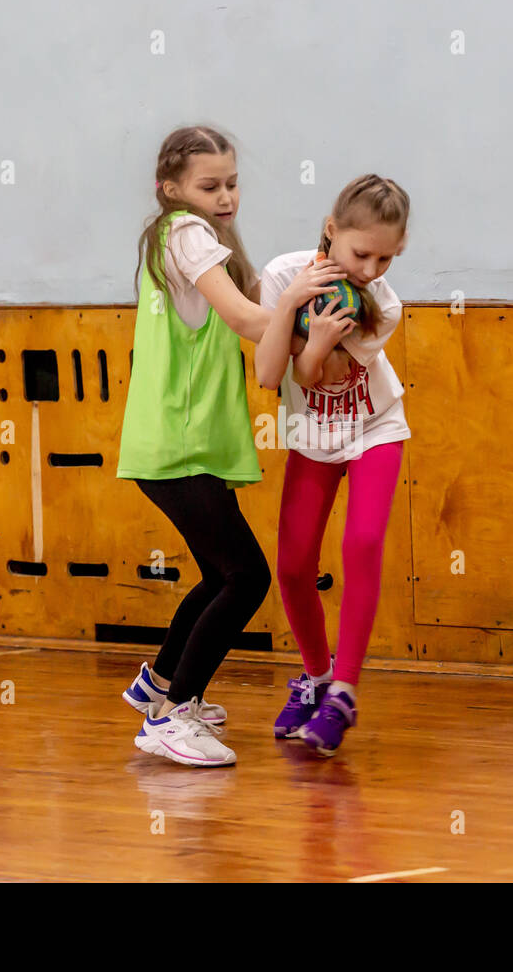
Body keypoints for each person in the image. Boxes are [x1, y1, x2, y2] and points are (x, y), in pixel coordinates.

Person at [117, 125, 346, 767]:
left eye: (232, 183)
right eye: (209, 185)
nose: (226, 197)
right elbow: (249, 320)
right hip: (177, 444)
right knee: (246, 577)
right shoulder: (184, 233)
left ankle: (159, 685)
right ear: (171, 190)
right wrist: (311, 320)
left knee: (220, 573)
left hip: (186, 444)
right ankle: (175, 715)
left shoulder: (198, 240)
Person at [254, 174, 412, 756]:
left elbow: (320, 374)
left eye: (386, 257)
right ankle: (315, 677)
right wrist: (294, 301)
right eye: (360, 253)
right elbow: (271, 374)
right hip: (310, 434)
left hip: (374, 427)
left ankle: (344, 689)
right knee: (293, 567)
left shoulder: (384, 305)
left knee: (362, 544)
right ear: (330, 231)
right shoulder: (278, 275)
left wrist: (316, 343)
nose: (371, 269)